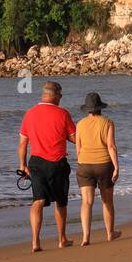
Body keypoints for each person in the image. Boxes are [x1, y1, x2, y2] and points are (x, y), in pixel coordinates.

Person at [18, 81, 76, 252]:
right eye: (60, 95)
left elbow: (23, 143)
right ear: (54, 95)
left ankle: (35, 241)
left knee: (38, 201)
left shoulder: (29, 114)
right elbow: (74, 138)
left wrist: (22, 165)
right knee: (60, 201)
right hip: (57, 162)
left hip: (36, 162)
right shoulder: (62, 113)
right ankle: (62, 239)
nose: (61, 98)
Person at [74, 91, 120, 245]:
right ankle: (110, 233)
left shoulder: (79, 124)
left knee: (86, 202)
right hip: (104, 165)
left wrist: (82, 162)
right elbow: (111, 146)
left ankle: (86, 237)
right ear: (100, 107)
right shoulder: (107, 122)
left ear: (87, 109)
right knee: (107, 201)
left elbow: (78, 148)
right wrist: (116, 167)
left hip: (84, 166)